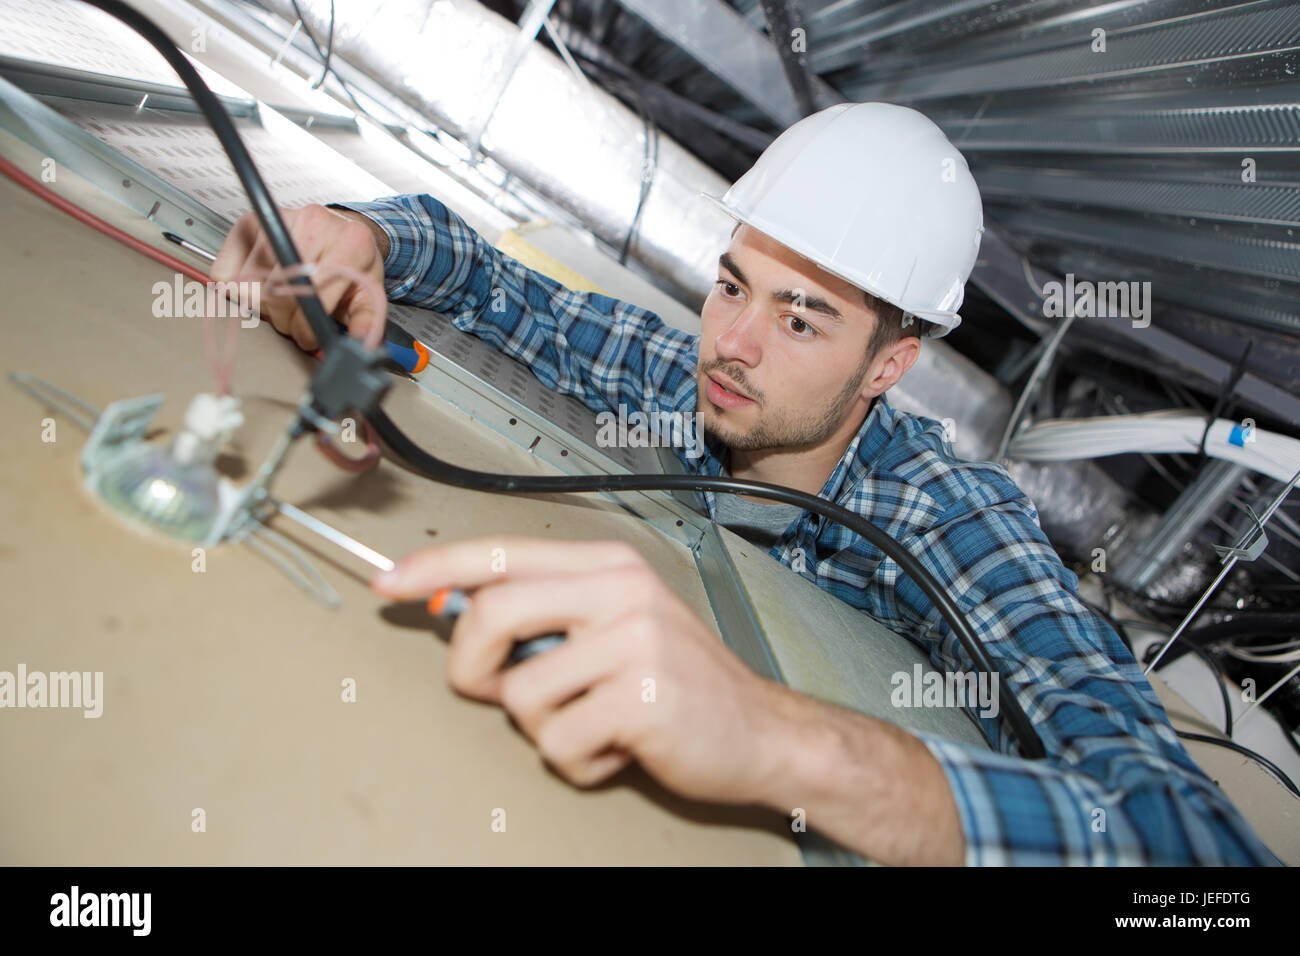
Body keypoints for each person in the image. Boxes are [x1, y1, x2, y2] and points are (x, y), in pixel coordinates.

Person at [213, 103, 1280, 866]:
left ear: (887, 367)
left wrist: (776, 738)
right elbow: (499, 286)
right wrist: (362, 239)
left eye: (800, 317)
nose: (731, 343)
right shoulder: (703, 382)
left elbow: (1191, 853)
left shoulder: (949, 514)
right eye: (733, 284)